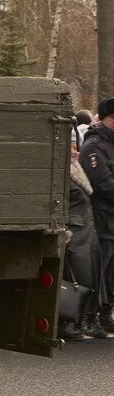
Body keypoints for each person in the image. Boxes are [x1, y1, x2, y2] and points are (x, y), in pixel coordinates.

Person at [64, 130, 108, 340]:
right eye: (69, 146)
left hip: (87, 231)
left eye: (74, 146)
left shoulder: (74, 168)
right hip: (74, 231)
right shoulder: (59, 171)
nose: (74, 151)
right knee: (75, 279)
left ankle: (86, 320)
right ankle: (69, 323)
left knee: (91, 279)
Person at [80, 97, 114, 333]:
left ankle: (105, 314)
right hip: (102, 218)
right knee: (99, 269)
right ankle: (89, 317)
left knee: (111, 270)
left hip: (111, 218)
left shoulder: (109, 144)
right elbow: (102, 183)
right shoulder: (94, 146)